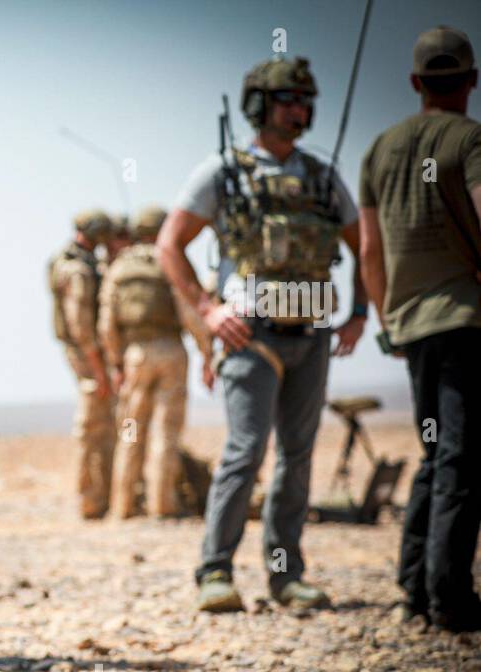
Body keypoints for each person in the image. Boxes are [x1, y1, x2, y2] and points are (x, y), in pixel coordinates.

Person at [157, 56, 367, 613]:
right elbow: (168, 244)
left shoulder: (322, 177)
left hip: (312, 333)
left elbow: (364, 244)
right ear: (259, 106)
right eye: (286, 98)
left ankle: (285, 575)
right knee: (246, 451)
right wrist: (207, 309)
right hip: (250, 335)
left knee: (297, 456)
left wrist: (362, 311)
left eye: (304, 99)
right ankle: (215, 572)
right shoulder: (222, 172)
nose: (297, 109)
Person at [359, 26, 481, 633]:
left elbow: (368, 251)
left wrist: (387, 319)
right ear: (472, 80)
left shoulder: (380, 148)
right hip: (464, 319)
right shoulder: (470, 138)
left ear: (415, 84)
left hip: (410, 326)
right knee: (462, 458)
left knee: (437, 453)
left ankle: (414, 588)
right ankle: (449, 597)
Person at [99, 205, 213, 518]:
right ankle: (162, 506)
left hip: (134, 354)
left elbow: (106, 323)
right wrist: (207, 353)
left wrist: (116, 363)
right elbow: (189, 313)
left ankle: (122, 507)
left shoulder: (119, 268)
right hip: (170, 351)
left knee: (130, 431)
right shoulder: (168, 261)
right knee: (166, 430)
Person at [48, 209, 115, 519]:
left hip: (81, 352)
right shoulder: (78, 270)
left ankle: (97, 497)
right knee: (94, 426)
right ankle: (91, 500)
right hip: (86, 355)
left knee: (100, 425)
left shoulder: (65, 260)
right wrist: (99, 369)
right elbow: (80, 325)